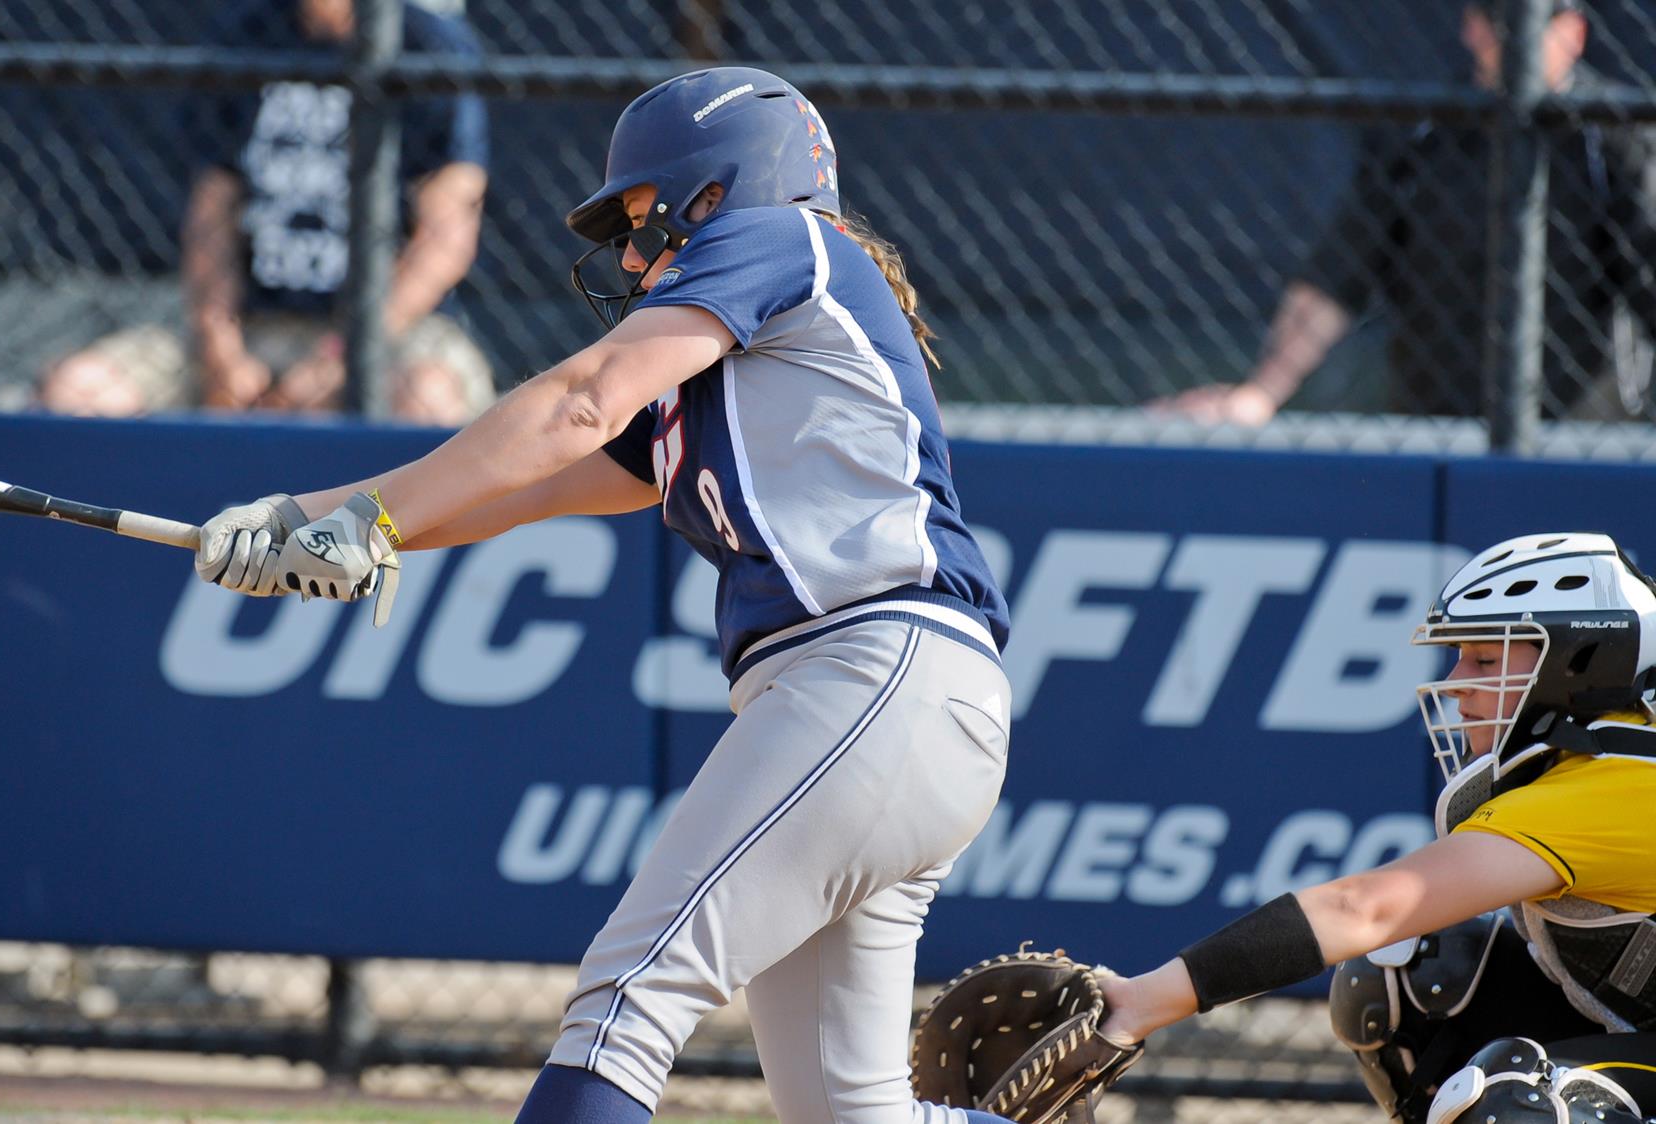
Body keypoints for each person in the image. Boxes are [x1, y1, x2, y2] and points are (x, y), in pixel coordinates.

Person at [190, 67, 1019, 1124]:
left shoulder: (784, 238)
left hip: (875, 671)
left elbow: (577, 403)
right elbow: (527, 489)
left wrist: (362, 513)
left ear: (720, 190)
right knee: (852, 1115)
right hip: (889, 702)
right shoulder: (725, 373)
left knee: (627, 997)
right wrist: (311, 523)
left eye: (644, 213)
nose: (631, 252)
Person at [1088, 532, 1656, 1124]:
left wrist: (1139, 1003)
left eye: (1485, 659)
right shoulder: (1593, 765)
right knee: (1413, 969)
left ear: (1582, 662)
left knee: (1523, 1108)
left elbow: (1363, 909)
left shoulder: (1605, 787)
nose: (1459, 680)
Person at [1151, 0, 1656, 423]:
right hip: (1436, 427)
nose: (1514, 41)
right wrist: (1262, 392)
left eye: (1539, 24)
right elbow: (1337, 275)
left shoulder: (1613, 138)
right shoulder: (1423, 133)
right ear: (1472, 27)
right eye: (1497, 22)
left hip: (1582, 436)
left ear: (1575, 31)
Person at [38, 0, 493, 424]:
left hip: (392, 332)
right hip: (252, 325)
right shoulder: (246, 33)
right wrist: (221, 346)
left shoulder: (430, 45)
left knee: (428, 399)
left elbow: (445, 239)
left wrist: (341, 356)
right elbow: (211, 215)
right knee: (76, 392)